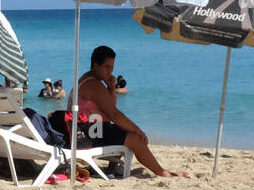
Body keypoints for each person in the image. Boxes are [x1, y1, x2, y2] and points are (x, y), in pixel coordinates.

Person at [71, 45, 186, 178]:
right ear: (96, 65)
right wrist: (138, 130)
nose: (110, 71)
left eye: (112, 67)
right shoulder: (94, 85)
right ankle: (162, 173)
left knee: (121, 129)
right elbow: (114, 114)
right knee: (136, 139)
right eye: (107, 67)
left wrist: (111, 87)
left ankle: (111, 168)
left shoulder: (85, 80)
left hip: (85, 130)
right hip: (90, 134)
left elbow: (111, 106)